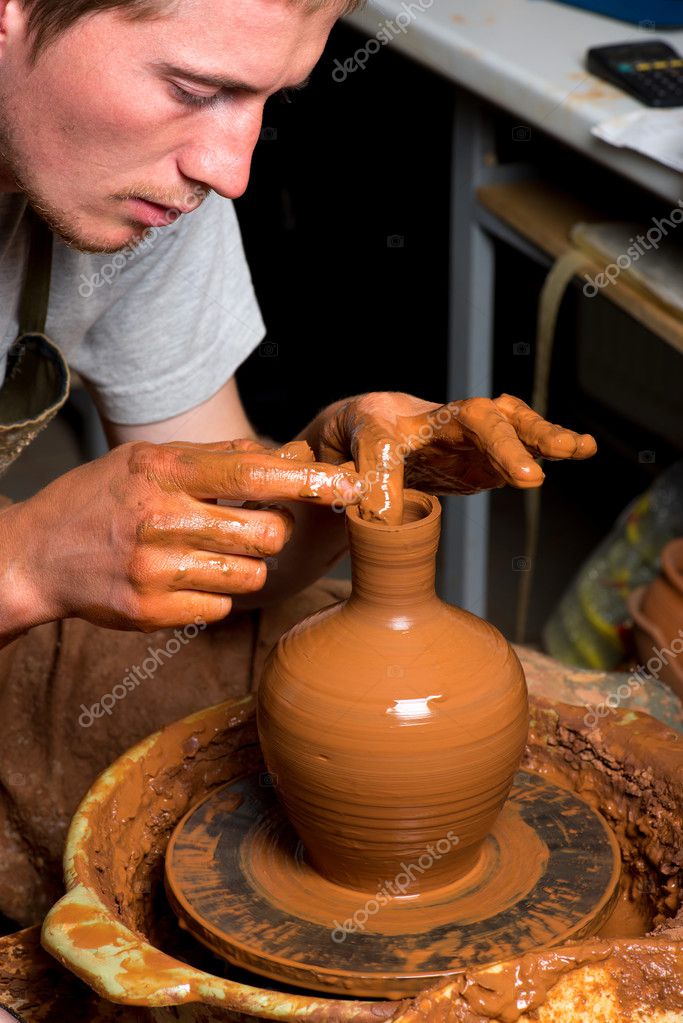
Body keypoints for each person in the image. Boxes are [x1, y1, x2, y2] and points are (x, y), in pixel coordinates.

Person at [0, 0, 597, 1014]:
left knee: (565, 733)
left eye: (264, 102)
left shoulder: (145, 189)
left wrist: (325, 480)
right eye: (193, 91)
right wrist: (22, 561)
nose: (228, 168)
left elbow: (216, 566)